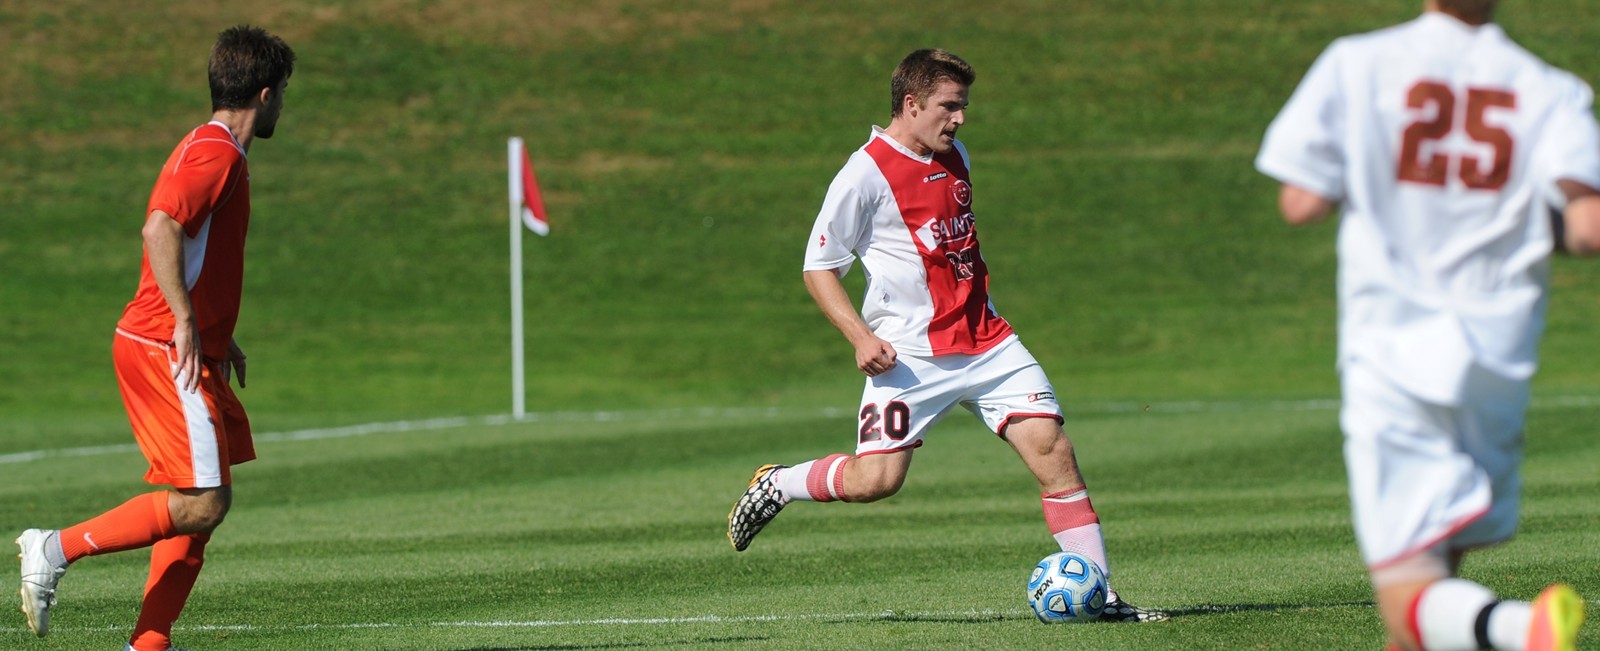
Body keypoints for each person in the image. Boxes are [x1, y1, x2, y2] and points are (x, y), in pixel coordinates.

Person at [726, 48, 1165, 623]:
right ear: (911, 104)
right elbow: (819, 268)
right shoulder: (863, 174)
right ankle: (781, 483)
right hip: (909, 356)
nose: (959, 119)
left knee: (1054, 451)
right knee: (876, 481)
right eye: (949, 106)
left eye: (963, 107)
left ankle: (1101, 598)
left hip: (990, 342)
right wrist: (860, 337)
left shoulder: (954, 155)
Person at [1256, 1, 1600, 649]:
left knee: (1405, 594)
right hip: (1497, 357)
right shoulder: (1549, 88)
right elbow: (1588, 228)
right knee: (1432, 576)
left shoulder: (1358, 63)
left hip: (1395, 348)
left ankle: (1523, 629)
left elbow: (1300, 201)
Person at [15, 25, 295, 651]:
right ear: (267, 94)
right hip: (163, 345)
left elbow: (194, 248)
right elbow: (160, 228)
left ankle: (149, 644)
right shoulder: (218, 153)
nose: (284, 105)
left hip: (183, 343)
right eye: (284, 94)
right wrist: (187, 321)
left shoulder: (212, 146)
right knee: (205, 502)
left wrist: (218, 328)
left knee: (198, 511)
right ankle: (53, 548)